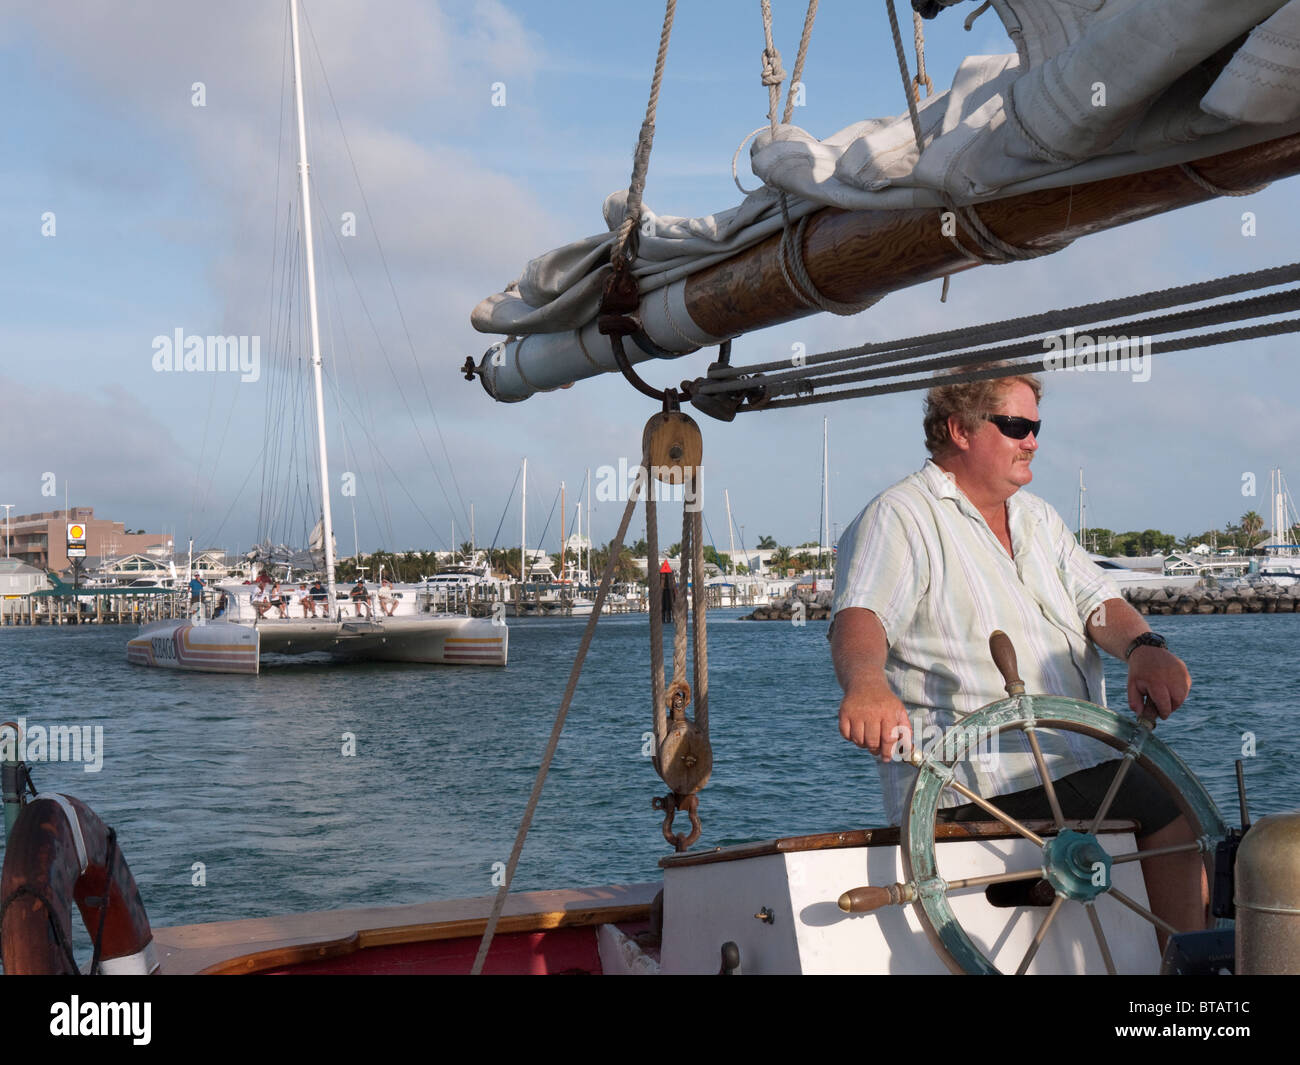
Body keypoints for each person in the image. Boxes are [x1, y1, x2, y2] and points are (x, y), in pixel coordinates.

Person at [830, 370, 1201, 944]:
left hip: (1077, 768)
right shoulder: (901, 516)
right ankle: (1194, 991)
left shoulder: (1038, 519)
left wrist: (1143, 649)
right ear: (959, 430)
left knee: (1165, 800)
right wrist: (865, 684)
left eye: (1035, 427)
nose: (1032, 441)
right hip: (977, 788)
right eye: (1015, 426)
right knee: (1172, 809)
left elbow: (1097, 602)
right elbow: (862, 615)